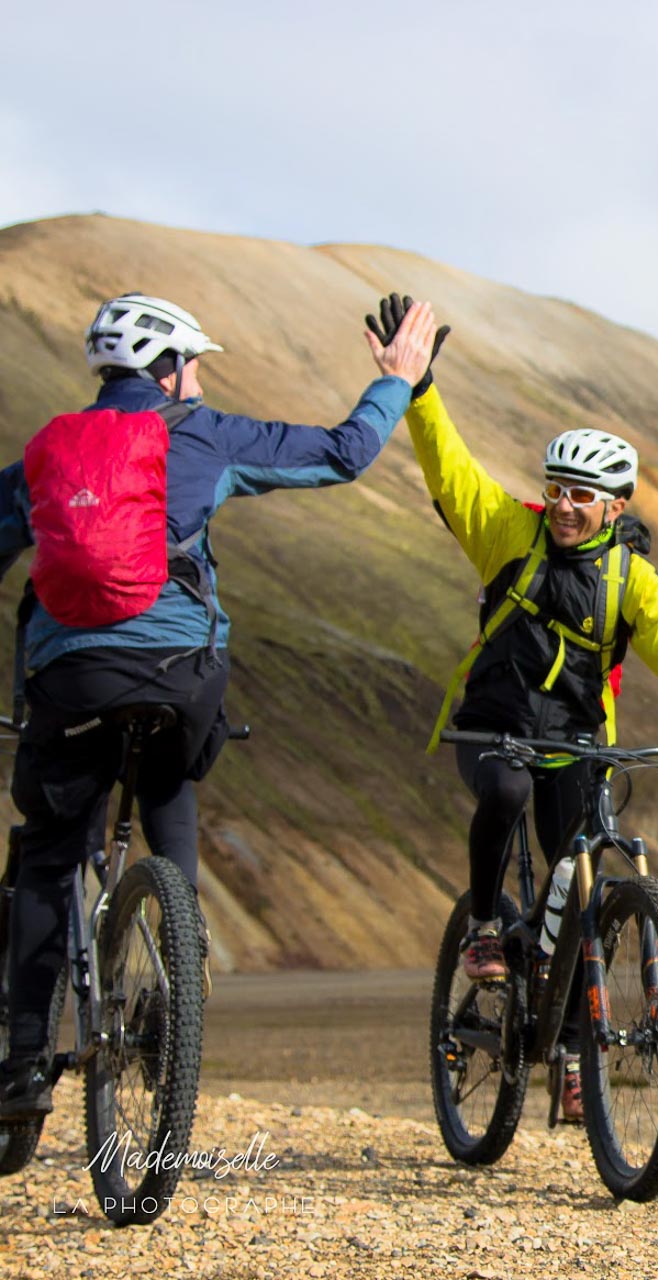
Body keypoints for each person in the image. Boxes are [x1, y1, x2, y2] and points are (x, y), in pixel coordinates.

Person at [0, 293, 439, 1118]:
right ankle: (181, 952)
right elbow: (345, 454)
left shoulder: (47, 454)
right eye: (193, 362)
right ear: (167, 369)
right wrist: (398, 383)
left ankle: (22, 1065)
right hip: (181, 673)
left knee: (50, 855)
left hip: (70, 682)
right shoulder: (204, 434)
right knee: (170, 776)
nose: (197, 378)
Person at [372, 295, 658, 1123]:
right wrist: (422, 390)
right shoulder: (511, 536)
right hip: (493, 728)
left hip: (579, 745)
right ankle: (483, 925)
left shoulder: (631, 581)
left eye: (583, 494)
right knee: (505, 794)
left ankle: (576, 1055)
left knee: (581, 888)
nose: (565, 504)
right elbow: (452, 474)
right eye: (557, 488)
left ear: (617, 507)